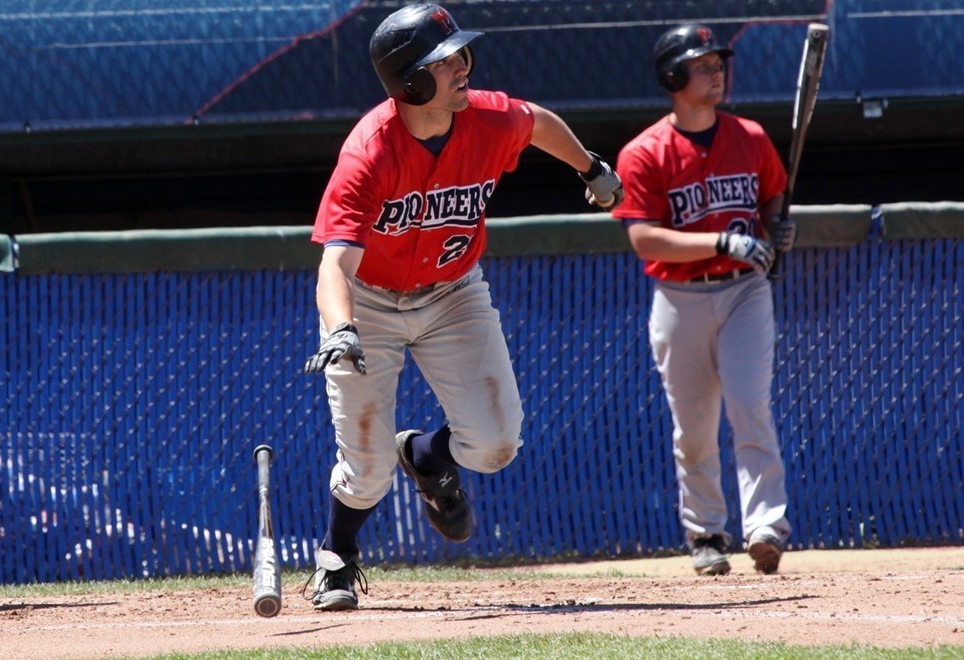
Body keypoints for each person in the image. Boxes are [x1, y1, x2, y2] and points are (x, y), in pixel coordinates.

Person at [302, 3, 623, 611]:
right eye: (443, 60)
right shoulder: (369, 152)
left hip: (453, 292)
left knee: (496, 444)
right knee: (367, 467)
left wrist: (592, 167)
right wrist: (341, 328)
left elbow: (538, 122)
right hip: (369, 303)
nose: (462, 66)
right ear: (410, 82)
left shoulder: (487, 118)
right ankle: (336, 559)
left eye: (460, 54)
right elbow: (334, 265)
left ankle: (424, 456)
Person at [611, 24, 796, 576]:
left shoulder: (751, 136)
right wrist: (719, 241)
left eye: (719, 64)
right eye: (703, 65)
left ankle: (766, 526)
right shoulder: (644, 152)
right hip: (679, 296)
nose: (717, 72)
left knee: (749, 404)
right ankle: (707, 534)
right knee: (692, 427)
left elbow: (773, 197)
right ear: (673, 77)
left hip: (744, 291)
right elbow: (644, 238)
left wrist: (778, 226)